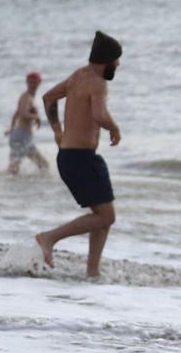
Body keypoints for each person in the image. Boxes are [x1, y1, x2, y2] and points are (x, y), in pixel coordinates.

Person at [35, 32, 123, 278]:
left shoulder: (77, 76)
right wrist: (114, 127)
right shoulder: (97, 82)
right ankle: (49, 238)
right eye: (116, 60)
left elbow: (48, 96)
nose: (118, 65)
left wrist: (57, 129)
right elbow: (99, 115)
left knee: (102, 216)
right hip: (81, 158)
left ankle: (92, 272)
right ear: (106, 59)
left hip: (71, 157)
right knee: (106, 216)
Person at [6, 71, 48, 176]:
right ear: (27, 83)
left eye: (35, 82)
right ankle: (8, 189)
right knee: (14, 169)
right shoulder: (26, 97)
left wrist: (12, 129)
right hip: (21, 136)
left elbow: (16, 115)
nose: (33, 85)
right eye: (30, 82)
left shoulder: (29, 97)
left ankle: (15, 188)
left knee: (42, 165)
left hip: (22, 135)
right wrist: (37, 117)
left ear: (39, 83)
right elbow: (23, 113)